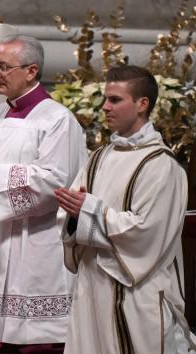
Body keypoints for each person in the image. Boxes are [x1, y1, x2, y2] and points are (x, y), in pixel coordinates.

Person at [0, 35, 87, 349]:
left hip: (35, 234)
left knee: (34, 336)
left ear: (31, 71)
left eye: (3, 67)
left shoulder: (57, 120)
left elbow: (56, 181)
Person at [57, 65, 196, 353]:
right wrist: (73, 216)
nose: (105, 107)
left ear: (142, 104)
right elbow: (73, 214)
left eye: (115, 100)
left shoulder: (162, 166)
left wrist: (90, 211)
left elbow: (147, 232)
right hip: (92, 285)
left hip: (134, 291)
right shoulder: (97, 158)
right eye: (105, 99)